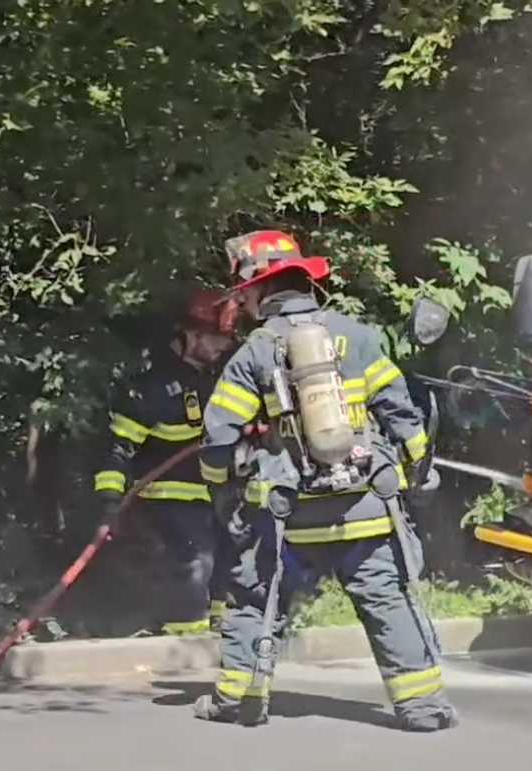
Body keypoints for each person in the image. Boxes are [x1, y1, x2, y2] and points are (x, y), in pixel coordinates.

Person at [192, 229, 456, 732]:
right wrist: (417, 473)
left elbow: (218, 438)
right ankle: (420, 706)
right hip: (364, 509)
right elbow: (403, 415)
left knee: (255, 598)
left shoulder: (257, 351)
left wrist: (221, 491)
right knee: (386, 599)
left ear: (258, 289)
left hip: (287, 518)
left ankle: (240, 700)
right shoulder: (356, 335)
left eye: (243, 293)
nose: (242, 303)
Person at [94, 286, 240, 636]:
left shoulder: (214, 379)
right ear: (189, 334)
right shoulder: (154, 387)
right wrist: (110, 502)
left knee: (225, 567)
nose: (223, 346)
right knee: (193, 569)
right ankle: (185, 650)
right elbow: (118, 448)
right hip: (167, 502)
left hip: (212, 498)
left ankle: (222, 640)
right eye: (215, 338)